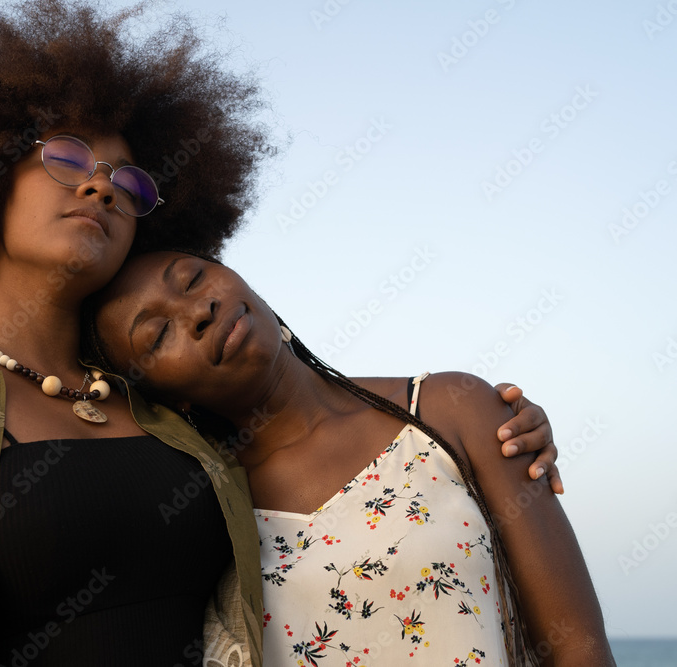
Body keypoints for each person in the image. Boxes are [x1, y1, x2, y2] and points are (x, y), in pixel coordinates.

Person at [0, 2, 560, 665]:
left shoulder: (174, 418)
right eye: (67, 155)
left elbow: (330, 469)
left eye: (129, 182)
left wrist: (494, 429)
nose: (98, 184)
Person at [86, 250, 616, 666]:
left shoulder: (454, 411)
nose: (198, 311)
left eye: (195, 278)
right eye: (158, 334)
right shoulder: (205, 508)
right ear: (160, 394)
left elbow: (579, 649)